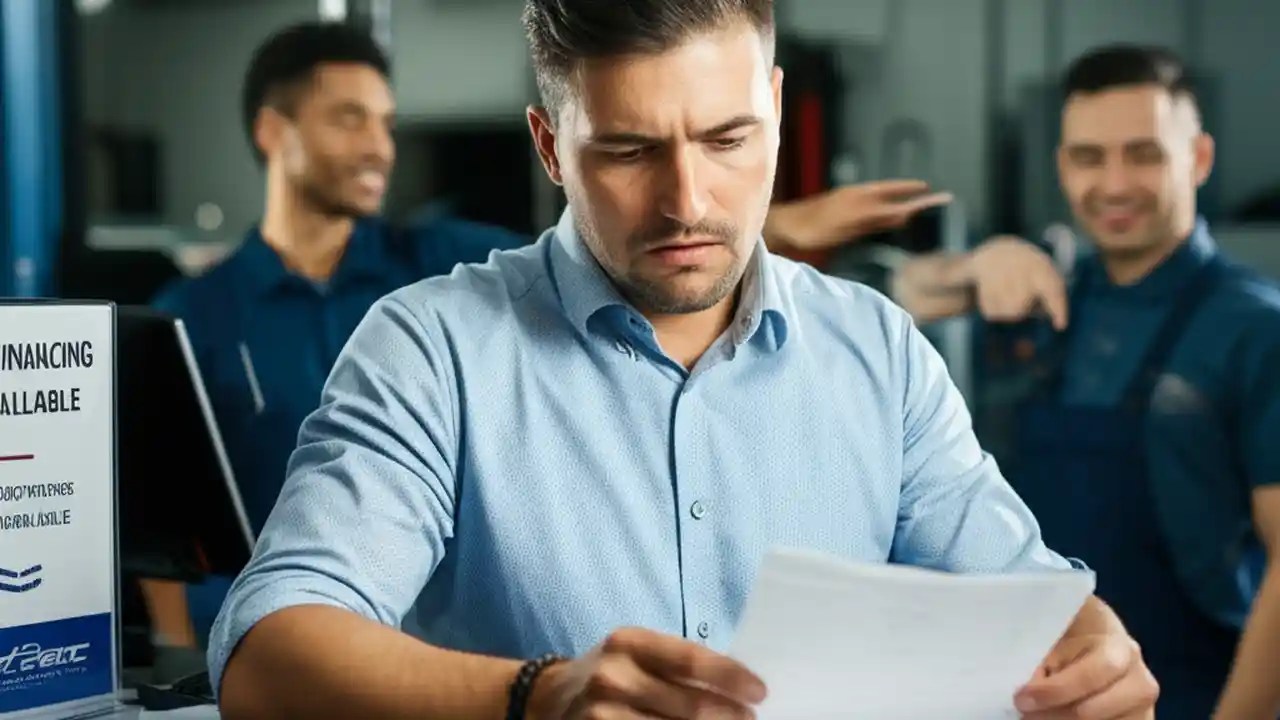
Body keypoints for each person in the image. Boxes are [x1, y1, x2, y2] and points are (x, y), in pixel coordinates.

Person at [209, 3, 1157, 718]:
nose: (687, 202)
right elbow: (265, 648)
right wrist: (538, 696)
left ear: (777, 112)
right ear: (550, 146)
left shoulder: (878, 352)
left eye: (728, 138)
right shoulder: (432, 350)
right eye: (627, 150)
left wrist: (1092, 652)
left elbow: (1036, 605)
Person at [893, 45, 1280, 720]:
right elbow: (884, 295)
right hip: (1033, 695)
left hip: (1192, 695)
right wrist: (976, 267)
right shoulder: (1046, 294)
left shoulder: (1253, 328)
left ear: (1199, 159)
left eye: (1145, 154)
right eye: (1089, 156)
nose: (1115, 182)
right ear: (1062, 165)